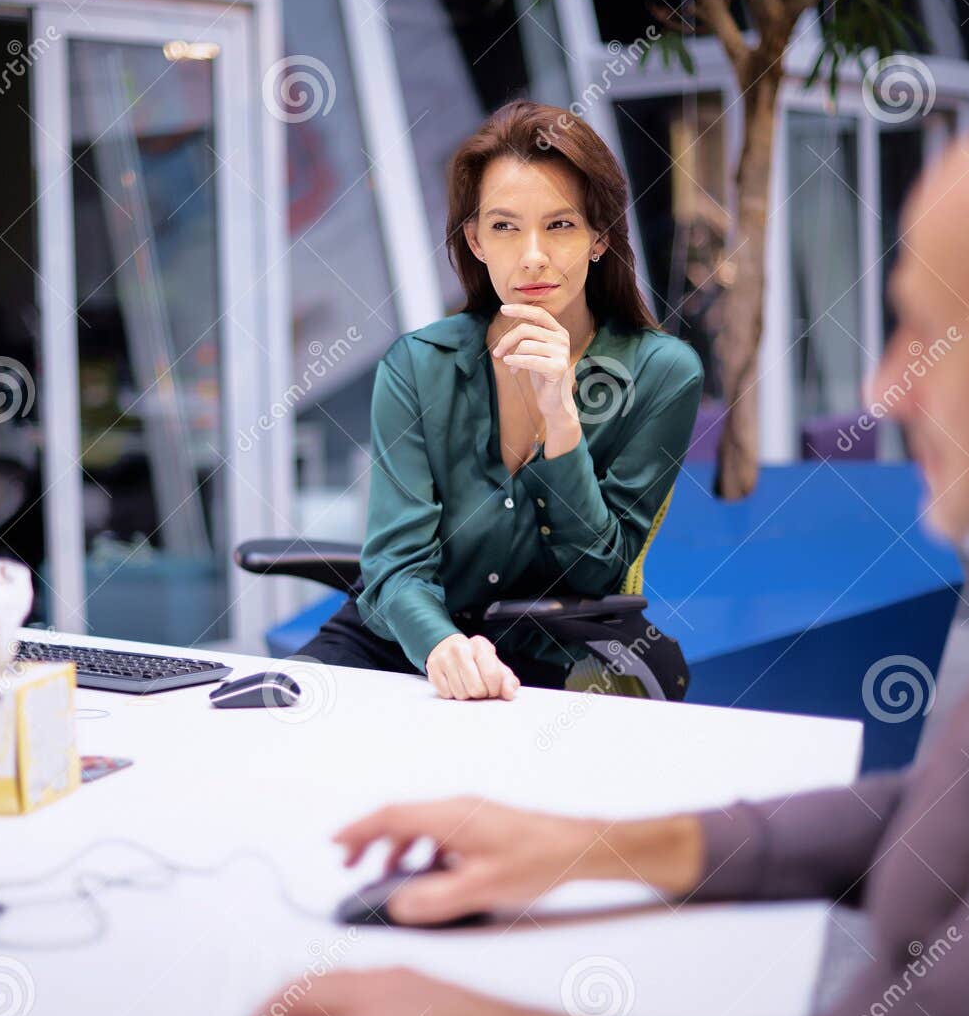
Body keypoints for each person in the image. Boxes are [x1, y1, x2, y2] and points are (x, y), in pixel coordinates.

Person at [243, 96, 969, 1016]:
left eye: (930, 331)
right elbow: (952, 805)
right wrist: (584, 847)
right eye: (503, 227)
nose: (884, 388)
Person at [299, 100, 703, 701]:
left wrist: (561, 420)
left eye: (560, 225)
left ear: (599, 238)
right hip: (400, 640)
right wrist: (441, 644)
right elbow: (396, 560)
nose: (532, 255)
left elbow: (597, 573)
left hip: (542, 655)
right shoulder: (418, 365)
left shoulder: (661, 373)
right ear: (476, 241)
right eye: (505, 227)